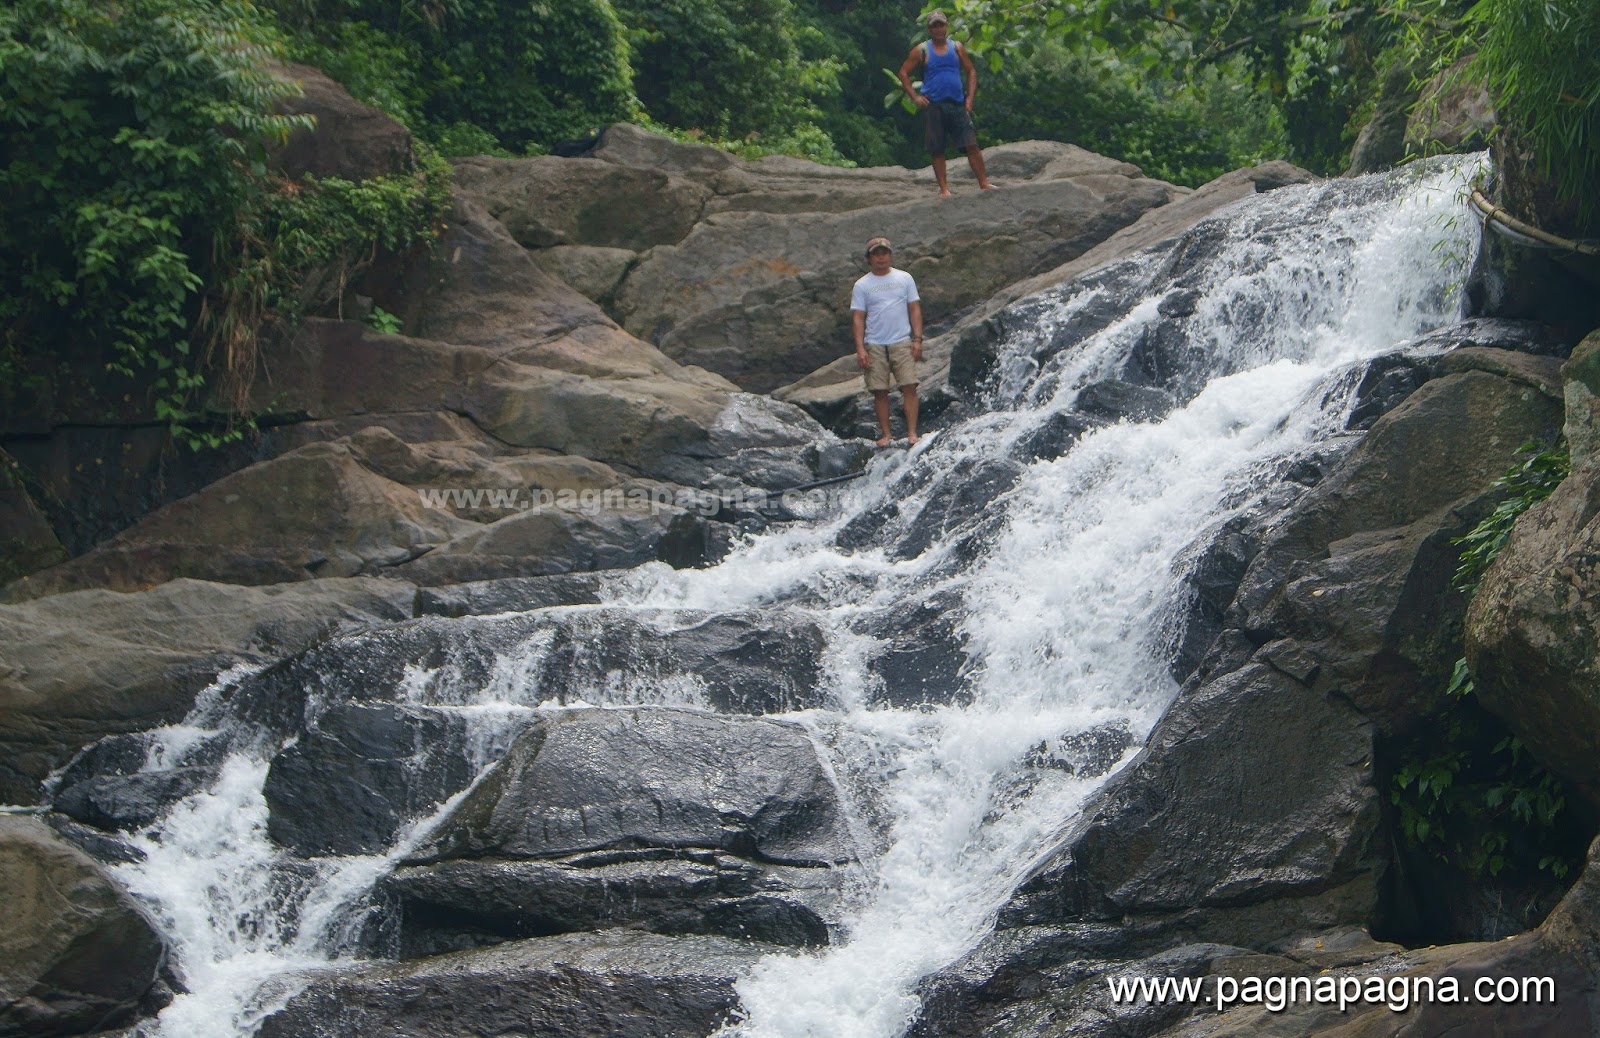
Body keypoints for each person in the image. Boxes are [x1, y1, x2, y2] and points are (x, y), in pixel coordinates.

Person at [898, 9, 994, 198]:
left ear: (946, 26)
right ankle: (944, 190)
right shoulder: (922, 50)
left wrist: (970, 98)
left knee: (971, 144)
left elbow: (971, 71)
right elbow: (903, 73)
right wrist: (915, 97)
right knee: (937, 148)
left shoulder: (957, 48)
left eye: (941, 24)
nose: (939, 29)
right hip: (934, 105)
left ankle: (983, 183)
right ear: (929, 29)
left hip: (957, 104)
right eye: (935, 26)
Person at [852, 237, 924, 447]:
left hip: (902, 341)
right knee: (879, 390)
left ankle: (912, 433)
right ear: (869, 258)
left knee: (909, 386)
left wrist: (917, 340)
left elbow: (914, 309)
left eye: (884, 253)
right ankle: (886, 435)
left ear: (890, 255)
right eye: (876, 254)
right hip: (874, 343)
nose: (881, 257)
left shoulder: (905, 278)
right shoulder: (862, 285)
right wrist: (860, 349)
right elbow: (858, 317)